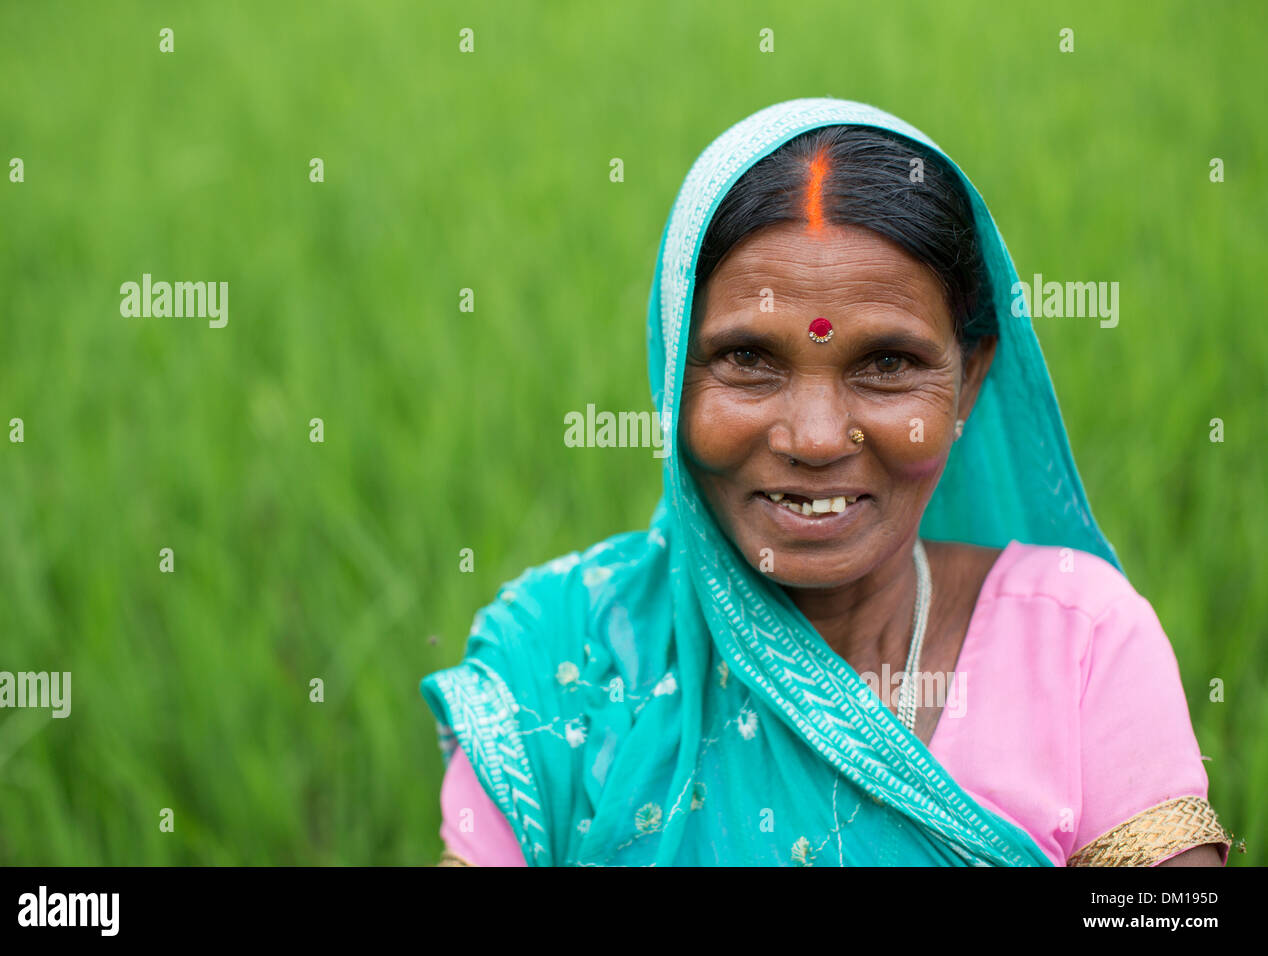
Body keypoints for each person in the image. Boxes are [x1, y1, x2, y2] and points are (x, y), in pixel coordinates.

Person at [420, 98, 1231, 866]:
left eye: (887, 364)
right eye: (748, 361)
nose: (813, 439)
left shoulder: (1076, 640)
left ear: (969, 381)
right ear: (674, 377)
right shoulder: (563, 655)